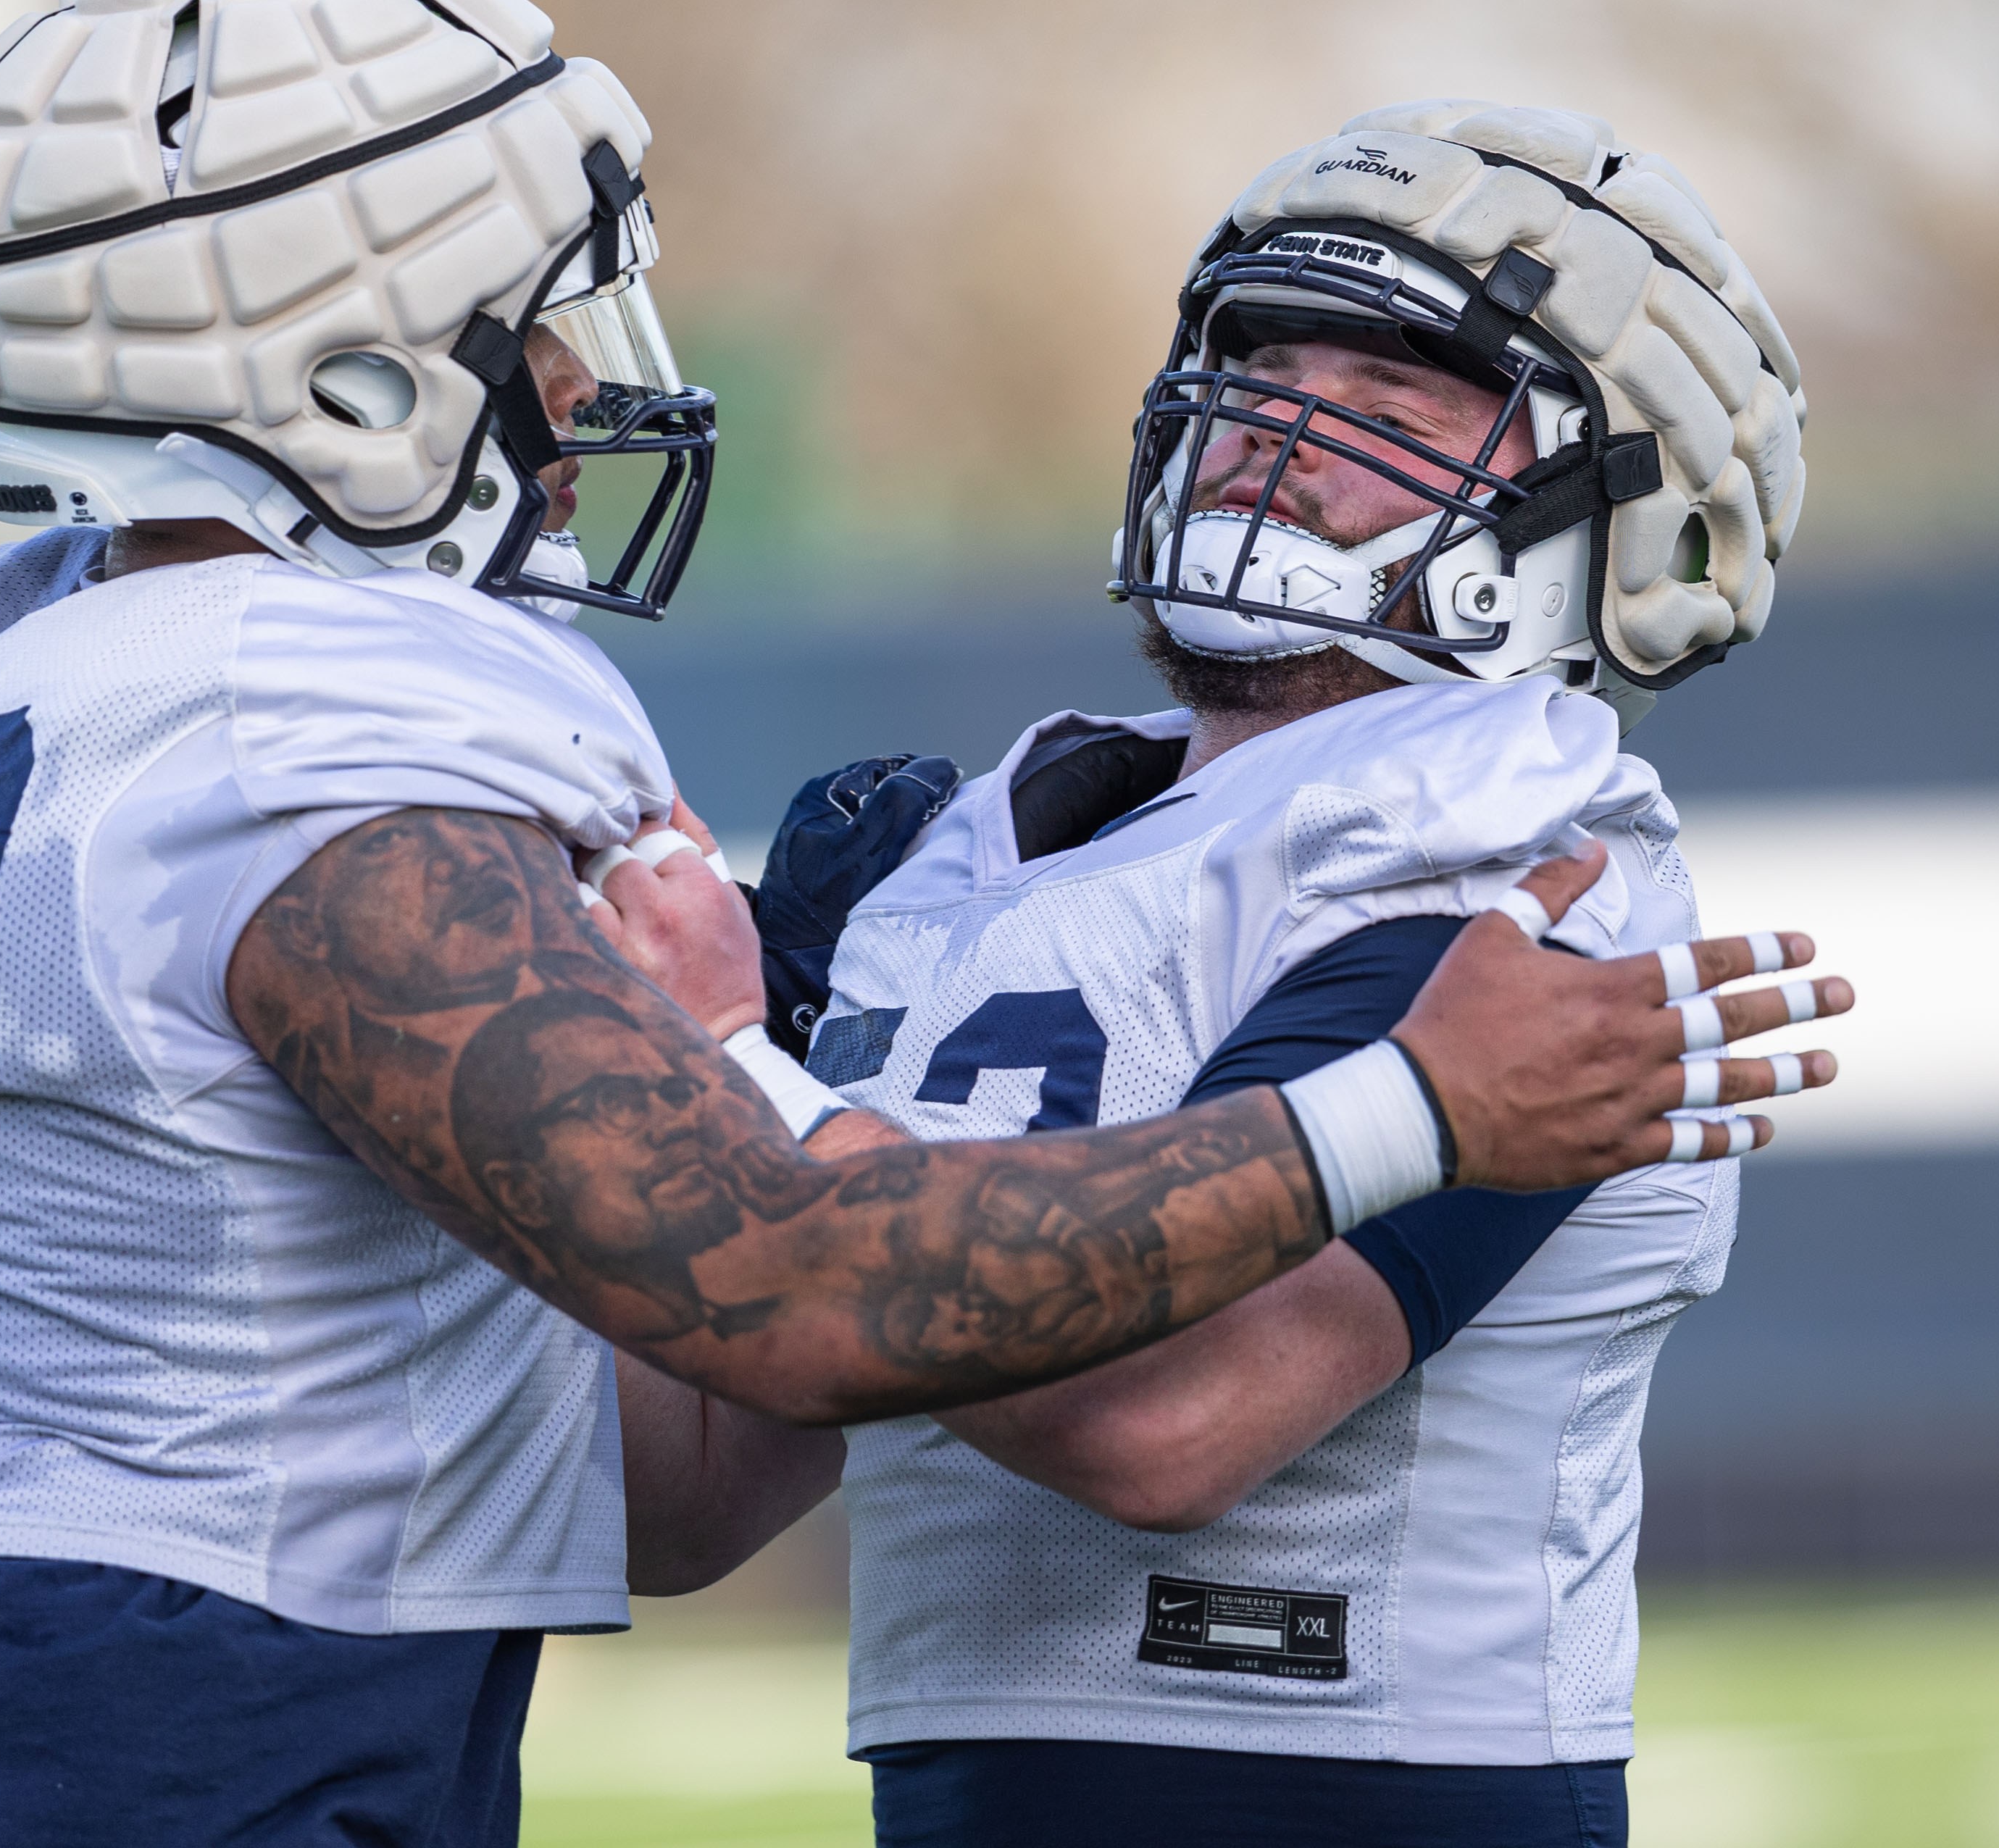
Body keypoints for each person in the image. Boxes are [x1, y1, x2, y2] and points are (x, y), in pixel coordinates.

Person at [0, 0, 1834, 1845]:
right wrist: (1374, 1114)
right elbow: (793, 1311)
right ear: (326, 366)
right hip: (136, 1725)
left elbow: (747, 1425)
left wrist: (762, 1091)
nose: (572, 373)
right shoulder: (350, 708)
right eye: (526, 309)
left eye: (1393, 390)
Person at [613, 101, 1829, 1847]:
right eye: (1256, 370)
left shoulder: (1501, 869)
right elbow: (691, 1499)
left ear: (1612, 524)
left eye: (1386, 407)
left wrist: (725, 1056)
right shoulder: (958, 852)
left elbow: (1163, 1423)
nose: (1270, 434)